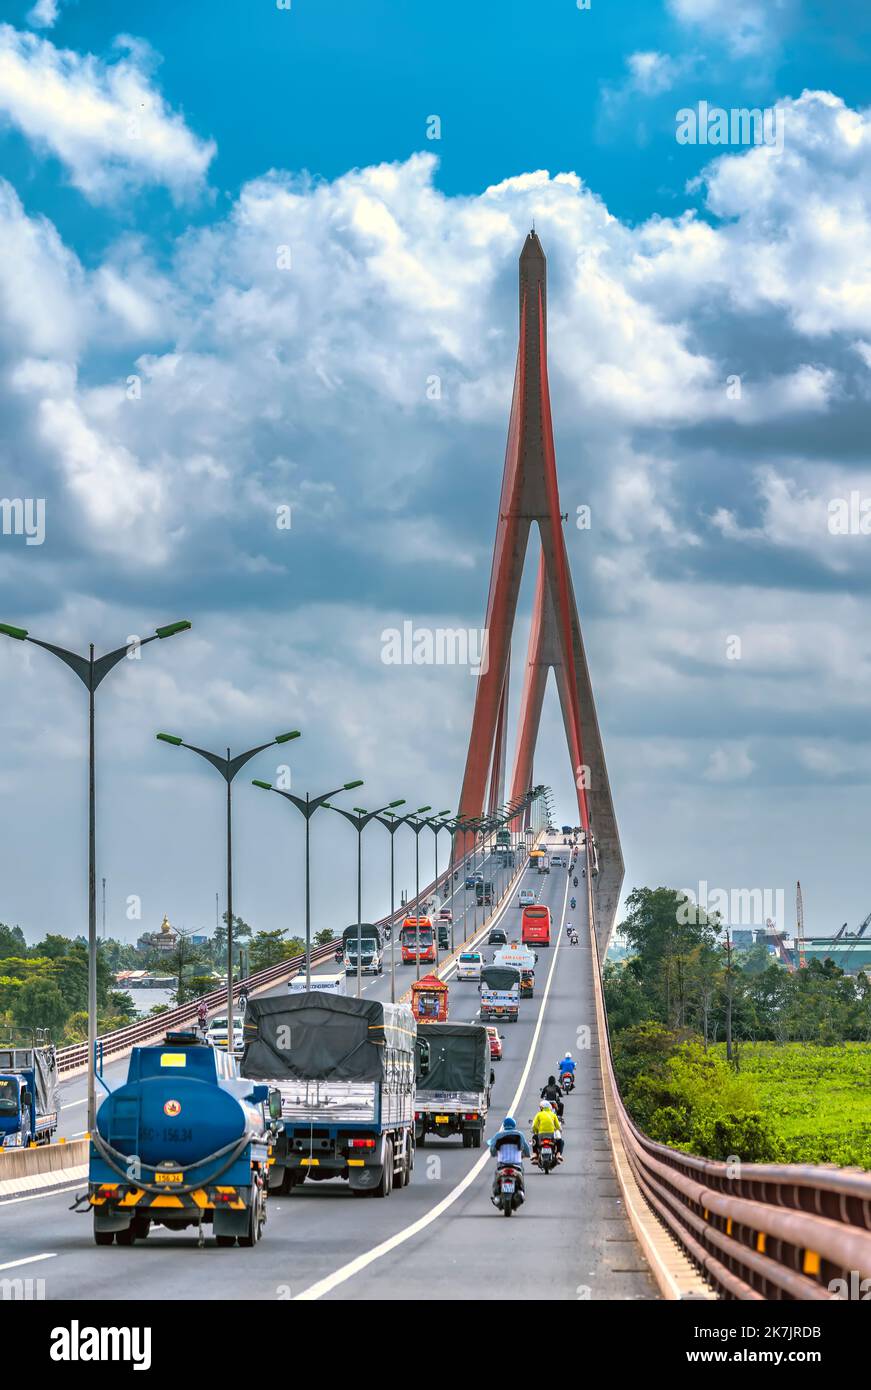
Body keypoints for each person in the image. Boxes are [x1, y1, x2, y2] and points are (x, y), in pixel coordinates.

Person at [488, 1115, 531, 1204]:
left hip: (502, 1165)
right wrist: (526, 1155)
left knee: (496, 1178)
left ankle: (496, 1195)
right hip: (517, 1164)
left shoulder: (498, 1135)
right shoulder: (519, 1135)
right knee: (521, 1178)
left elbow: (492, 1150)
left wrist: (495, 1153)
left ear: (504, 1125)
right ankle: (522, 1193)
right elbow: (526, 1149)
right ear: (514, 1125)